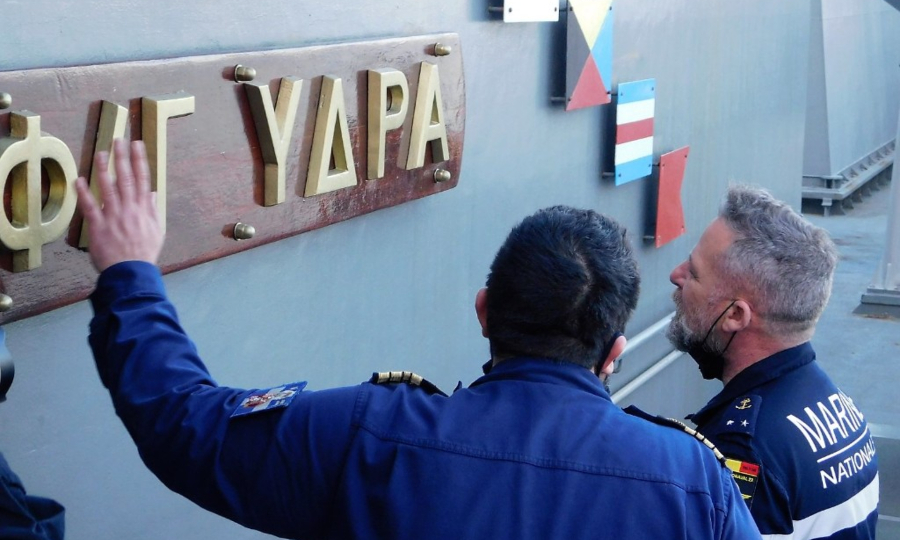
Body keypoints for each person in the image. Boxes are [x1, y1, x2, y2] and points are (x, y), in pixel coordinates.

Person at [76, 139, 761, 539]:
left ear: (484, 310)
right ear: (613, 354)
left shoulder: (367, 437)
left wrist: (131, 274)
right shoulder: (693, 485)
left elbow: (183, 427)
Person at [668, 185, 879, 540]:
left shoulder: (743, 449)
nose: (676, 275)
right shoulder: (838, 405)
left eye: (694, 273)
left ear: (735, 315)